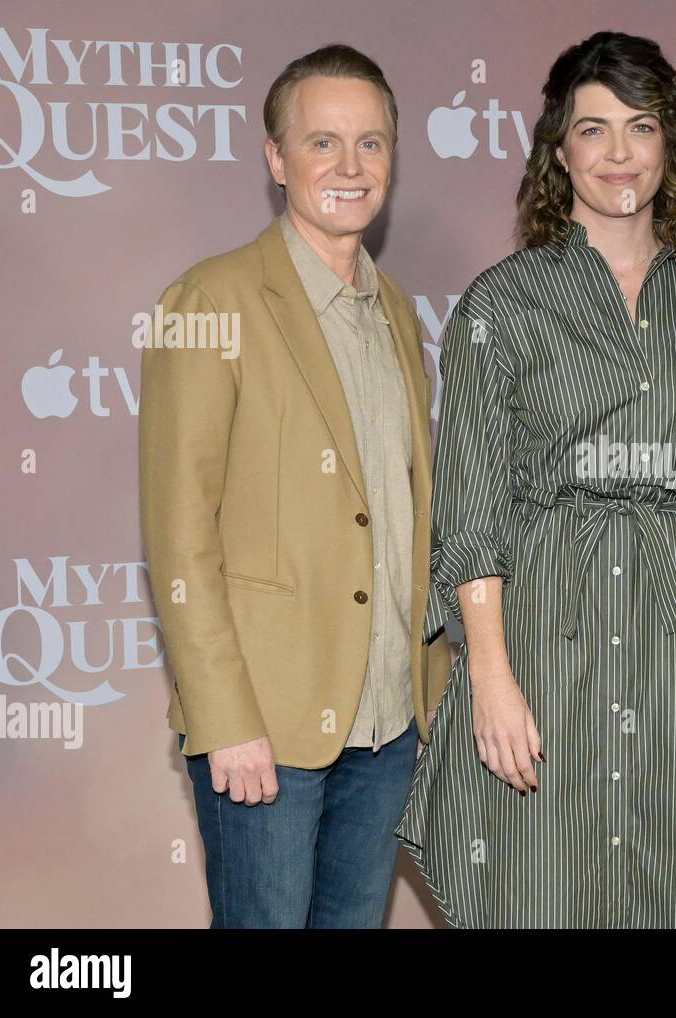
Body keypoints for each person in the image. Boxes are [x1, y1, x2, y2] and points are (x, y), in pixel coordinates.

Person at [397, 31, 676, 928]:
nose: (619, 153)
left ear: (671, 145)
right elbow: (470, 504)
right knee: (548, 871)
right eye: (593, 129)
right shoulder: (501, 303)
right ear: (559, 152)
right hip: (548, 627)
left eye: (641, 126)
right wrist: (492, 676)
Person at [139, 43, 450, 928]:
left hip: (389, 723)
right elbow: (177, 529)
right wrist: (224, 713)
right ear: (277, 160)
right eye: (322, 143)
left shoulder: (395, 309)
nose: (350, 168)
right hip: (265, 726)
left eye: (372, 144)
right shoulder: (211, 300)